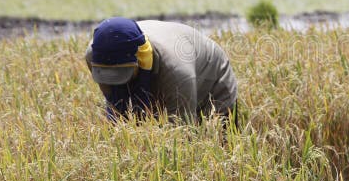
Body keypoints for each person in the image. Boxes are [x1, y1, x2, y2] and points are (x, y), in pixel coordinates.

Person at [85, 17, 238, 124]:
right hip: (166, 55)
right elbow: (114, 102)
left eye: (120, 74)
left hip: (211, 77)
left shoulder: (177, 72)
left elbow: (180, 133)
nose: (113, 80)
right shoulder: (93, 54)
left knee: (215, 138)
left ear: (141, 57)